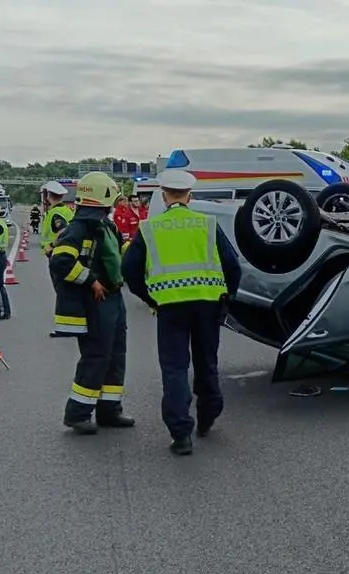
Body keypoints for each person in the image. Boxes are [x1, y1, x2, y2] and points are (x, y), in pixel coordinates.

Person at [122, 168, 243, 454]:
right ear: (190, 195)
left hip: (170, 306)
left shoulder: (150, 228)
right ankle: (208, 417)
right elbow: (232, 265)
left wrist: (150, 297)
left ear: (164, 196)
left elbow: (129, 270)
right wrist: (228, 296)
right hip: (207, 304)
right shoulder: (207, 224)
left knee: (175, 368)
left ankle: (181, 434)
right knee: (206, 362)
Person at [49, 171, 134, 435]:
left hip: (113, 298)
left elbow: (116, 254)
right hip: (94, 302)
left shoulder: (105, 226)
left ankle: (110, 410)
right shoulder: (78, 228)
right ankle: (77, 414)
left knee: (115, 355)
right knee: (96, 357)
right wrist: (91, 281)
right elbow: (61, 261)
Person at [39, 180, 73, 257]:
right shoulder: (67, 210)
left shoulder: (55, 213)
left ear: (49, 196)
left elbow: (62, 231)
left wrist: (51, 246)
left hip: (58, 253)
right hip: (67, 252)